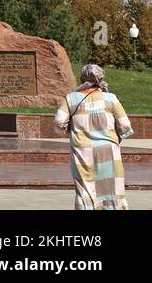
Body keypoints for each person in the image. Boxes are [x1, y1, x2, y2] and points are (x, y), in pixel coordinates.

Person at [54, 63, 134, 210]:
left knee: (86, 190)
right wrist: (117, 138)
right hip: (109, 151)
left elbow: (59, 122)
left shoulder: (71, 99)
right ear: (101, 78)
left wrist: (68, 130)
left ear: (82, 79)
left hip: (82, 152)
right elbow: (125, 125)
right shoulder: (111, 99)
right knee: (112, 191)